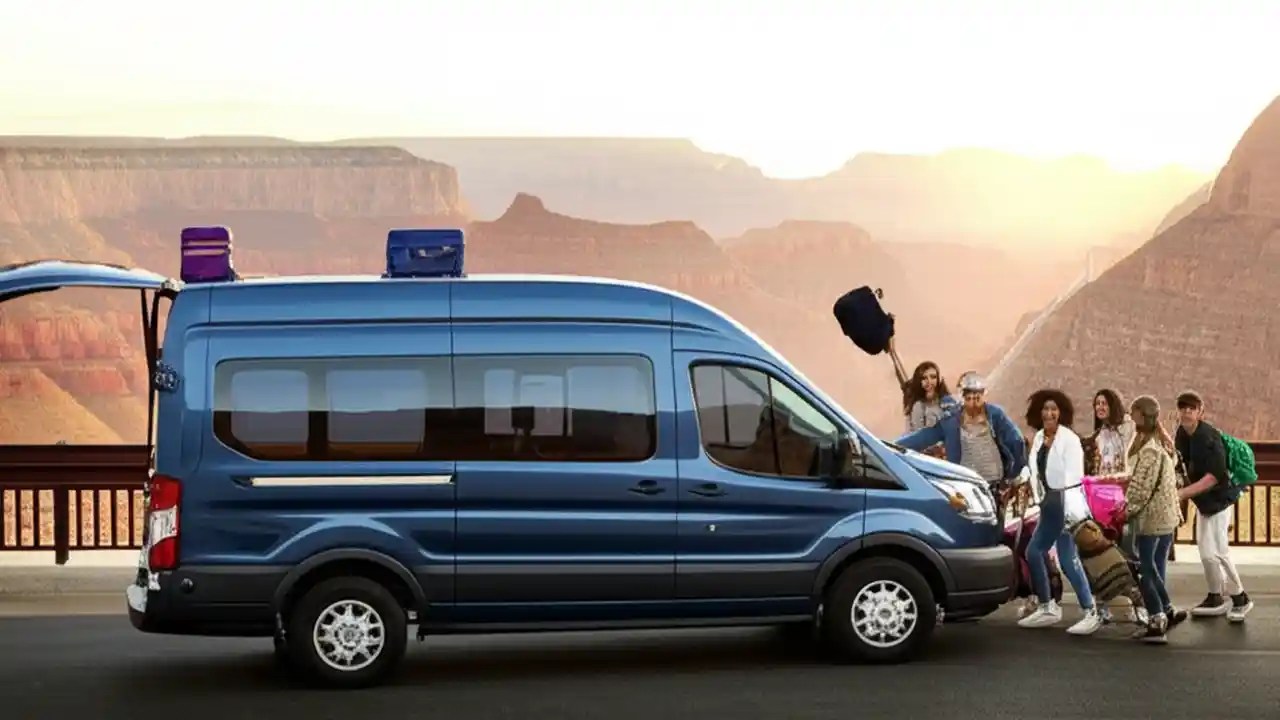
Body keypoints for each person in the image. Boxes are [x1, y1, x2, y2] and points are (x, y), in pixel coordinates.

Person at [1016, 388, 1104, 635]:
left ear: (1061, 413)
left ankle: (1089, 611)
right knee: (1037, 553)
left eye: (1054, 409)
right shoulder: (1040, 438)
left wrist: (1068, 509)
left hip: (1065, 505)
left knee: (1064, 559)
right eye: (1045, 409)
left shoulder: (1069, 439)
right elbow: (1035, 469)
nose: (1049, 413)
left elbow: (1073, 476)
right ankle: (1048, 606)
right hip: (1048, 505)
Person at [1174, 391, 1252, 621]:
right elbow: (1181, 463)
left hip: (1220, 500)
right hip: (1205, 503)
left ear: (1200, 412)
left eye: (1192, 408)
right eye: (1183, 408)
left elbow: (1215, 476)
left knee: (1218, 551)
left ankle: (1241, 598)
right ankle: (1215, 596)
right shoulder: (1182, 434)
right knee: (1206, 553)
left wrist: (1182, 494)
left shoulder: (1208, 438)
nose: (1187, 412)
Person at [1124, 395, 1189, 643]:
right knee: (1151, 567)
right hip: (1166, 518)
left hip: (1151, 518)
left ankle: (1156, 619)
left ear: (1142, 415)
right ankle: (1167, 610)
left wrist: (1123, 512)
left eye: (1134, 413)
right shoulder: (1160, 444)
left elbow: (1140, 489)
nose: (1131, 417)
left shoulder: (1149, 451)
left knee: (1145, 570)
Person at [895, 371, 1026, 486]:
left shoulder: (995, 415)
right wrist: (892, 446)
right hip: (965, 483)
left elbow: (1016, 440)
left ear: (983, 395)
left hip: (992, 482)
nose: (973, 402)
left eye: (977, 397)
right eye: (969, 398)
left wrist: (1014, 472)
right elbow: (923, 437)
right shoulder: (950, 421)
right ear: (962, 397)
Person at [1090, 388, 1136, 479]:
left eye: (1104, 404)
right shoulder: (1100, 435)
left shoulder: (1128, 426)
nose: (1100, 407)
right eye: (1097, 404)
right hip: (1107, 483)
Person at [902, 361, 957, 433]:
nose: (929, 381)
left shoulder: (948, 401)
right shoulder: (918, 406)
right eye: (924, 378)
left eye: (933, 377)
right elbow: (919, 436)